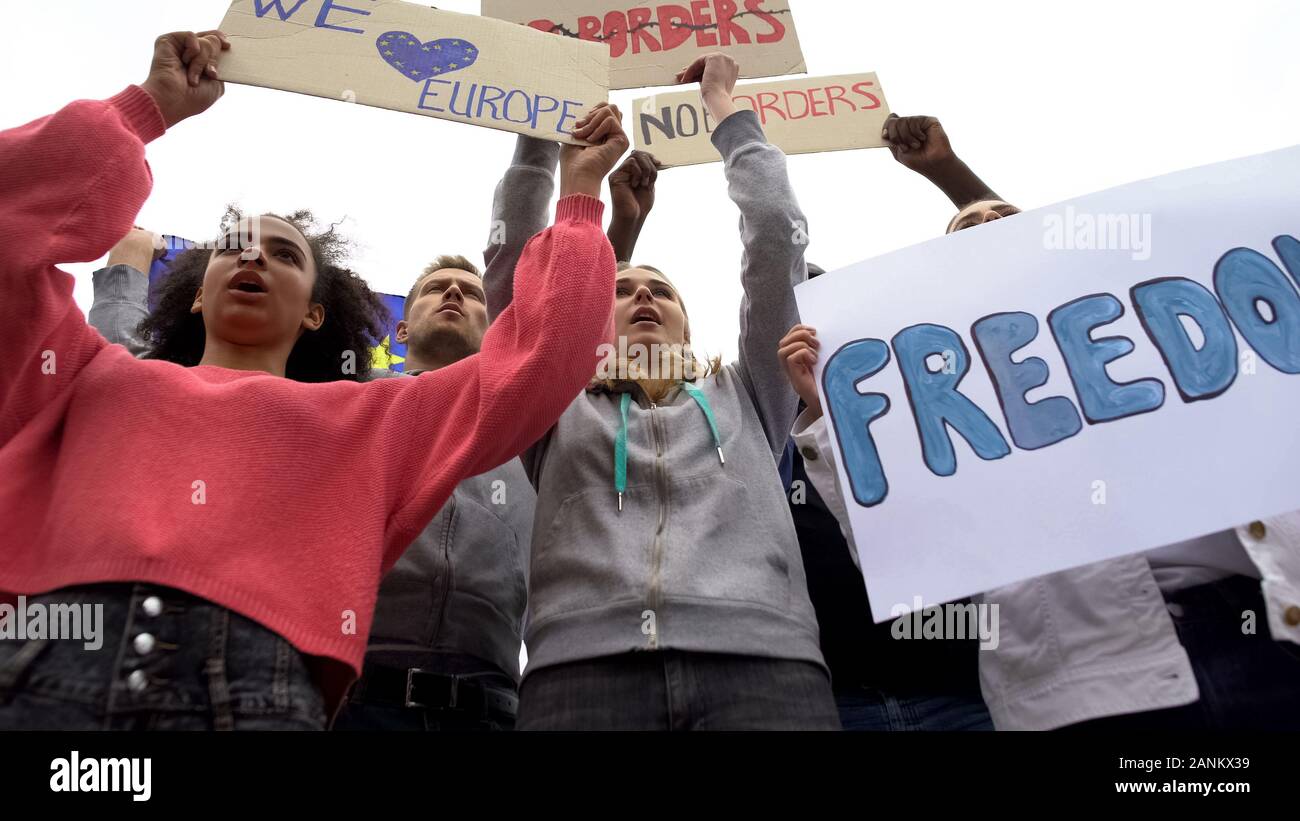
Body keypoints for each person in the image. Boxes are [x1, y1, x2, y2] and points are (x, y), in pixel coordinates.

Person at [0, 29, 623, 730]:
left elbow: (541, 359)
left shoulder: (373, 420)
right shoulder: (75, 373)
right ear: (196, 293)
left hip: (257, 694)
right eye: (235, 247)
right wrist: (148, 108)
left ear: (315, 313)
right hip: (35, 667)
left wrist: (579, 196)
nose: (254, 259)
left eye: (285, 255)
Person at [783, 115, 1300, 731]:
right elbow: (900, 544)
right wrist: (827, 413)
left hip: (1270, 623)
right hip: (1096, 679)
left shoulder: (1188, 326)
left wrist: (951, 174)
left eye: (1005, 225)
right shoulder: (947, 399)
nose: (988, 234)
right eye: (965, 234)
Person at [484, 53, 840, 731]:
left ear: (686, 318)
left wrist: (726, 109)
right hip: (580, 676)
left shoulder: (747, 391)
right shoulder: (551, 400)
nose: (643, 293)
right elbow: (512, 274)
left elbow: (774, 239)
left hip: (764, 668)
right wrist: (538, 128)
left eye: (662, 290)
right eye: (620, 288)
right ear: (592, 312)